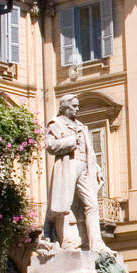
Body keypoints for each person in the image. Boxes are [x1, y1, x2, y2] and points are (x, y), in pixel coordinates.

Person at [43, 94, 107, 253]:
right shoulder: (56, 123)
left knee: (92, 204)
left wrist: (97, 168)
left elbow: (89, 150)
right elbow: (50, 146)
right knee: (65, 205)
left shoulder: (81, 126)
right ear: (64, 107)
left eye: (77, 106)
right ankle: (66, 241)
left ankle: (96, 244)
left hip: (85, 167)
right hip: (68, 166)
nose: (77, 109)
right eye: (74, 106)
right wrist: (70, 142)